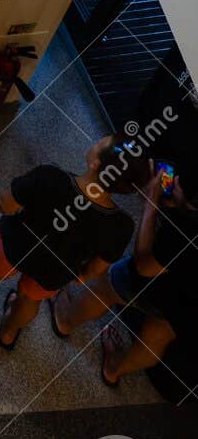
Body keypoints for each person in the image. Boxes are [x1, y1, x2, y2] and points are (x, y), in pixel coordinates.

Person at [0, 135, 151, 349]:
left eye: (100, 142)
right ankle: (8, 332)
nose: (95, 142)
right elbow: (97, 268)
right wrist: (81, 276)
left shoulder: (50, 177)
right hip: (54, 272)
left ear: (95, 163)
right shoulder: (122, 226)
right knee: (30, 301)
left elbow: (5, 204)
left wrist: (5, 204)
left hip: (15, 244)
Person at [50, 162, 198, 386]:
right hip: (188, 311)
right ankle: (114, 369)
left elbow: (144, 265)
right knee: (161, 334)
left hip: (161, 288)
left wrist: (151, 205)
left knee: (108, 284)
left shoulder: (187, 231)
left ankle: (65, 319)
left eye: (176, 185)